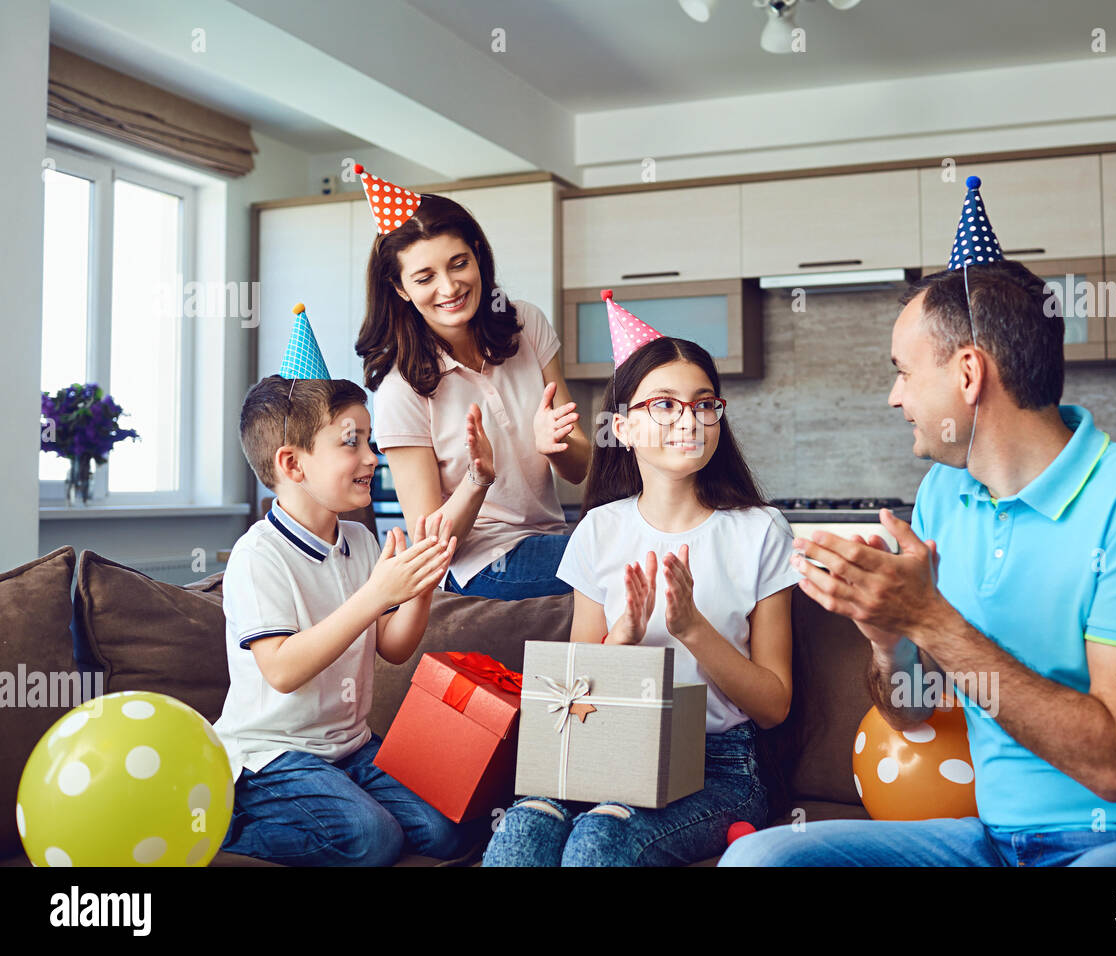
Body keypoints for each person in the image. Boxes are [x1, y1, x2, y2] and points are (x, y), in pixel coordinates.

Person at [719, 247, 1116, 866]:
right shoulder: (943, 493)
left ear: (968, 374)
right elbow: (911, 713)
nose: (893, 396)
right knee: (760, 861)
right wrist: (890, 641)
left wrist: (930, 618)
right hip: (988, 841)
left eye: (904, 372)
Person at [482, 295, 801, 866]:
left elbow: (775, 705)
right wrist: (621, 641)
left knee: (601, 839)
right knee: (523, 829)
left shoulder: (761, 531)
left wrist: (693, 628)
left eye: (704, 404)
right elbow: (573, 701)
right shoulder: (600, 530)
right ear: (623, 428)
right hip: (604, 744)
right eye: (665, 404)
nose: (690, 419)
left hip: (721, 764)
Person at [215, 367, 481, 865]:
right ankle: (224, 821)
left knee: (447, 830)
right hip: (271, 755)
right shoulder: (259, 555)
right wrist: (377, 593)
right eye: (351, 443)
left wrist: (418, 586)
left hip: (350, 749)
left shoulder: (360, 540)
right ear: (292, 464)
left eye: (370, 440)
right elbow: (283, 670)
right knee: (373, 838)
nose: (371, 457)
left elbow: (393, 647)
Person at [353, 164, 588, 600]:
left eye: (459, 263)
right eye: (424, 278)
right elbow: (431, 547)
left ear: (477, 254)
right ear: (400, 288)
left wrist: (556, 445)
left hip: (551, 539)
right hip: (481, 563)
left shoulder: (525, 324)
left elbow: (581, 467)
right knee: (618, 553)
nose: (449, 287)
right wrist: (477, 480)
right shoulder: (400, 388)